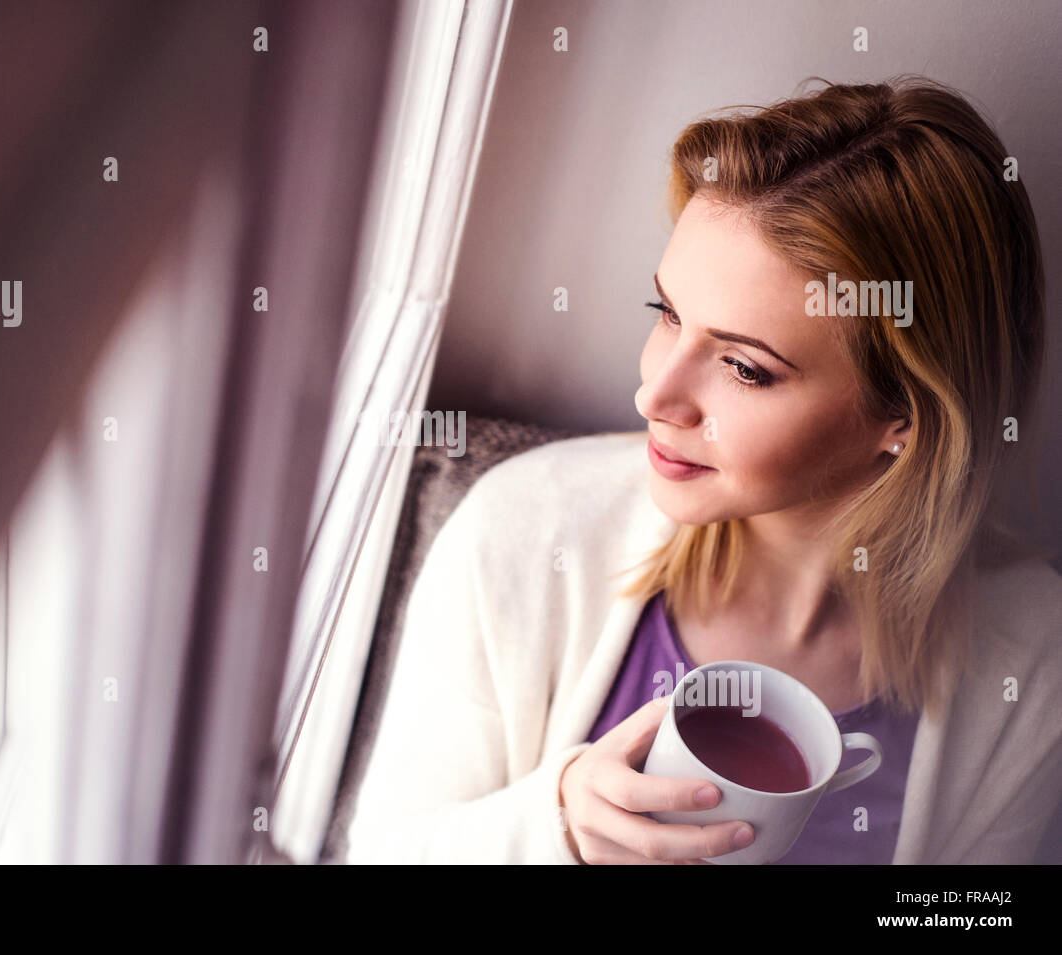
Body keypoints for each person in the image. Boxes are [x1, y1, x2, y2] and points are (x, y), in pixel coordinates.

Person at [344, 76, 1062, 864]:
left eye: (746, 367)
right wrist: (557, 825)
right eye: (668, 314)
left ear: (907, 416)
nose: (655, 393)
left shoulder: (1034, 656)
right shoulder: (521, 533)